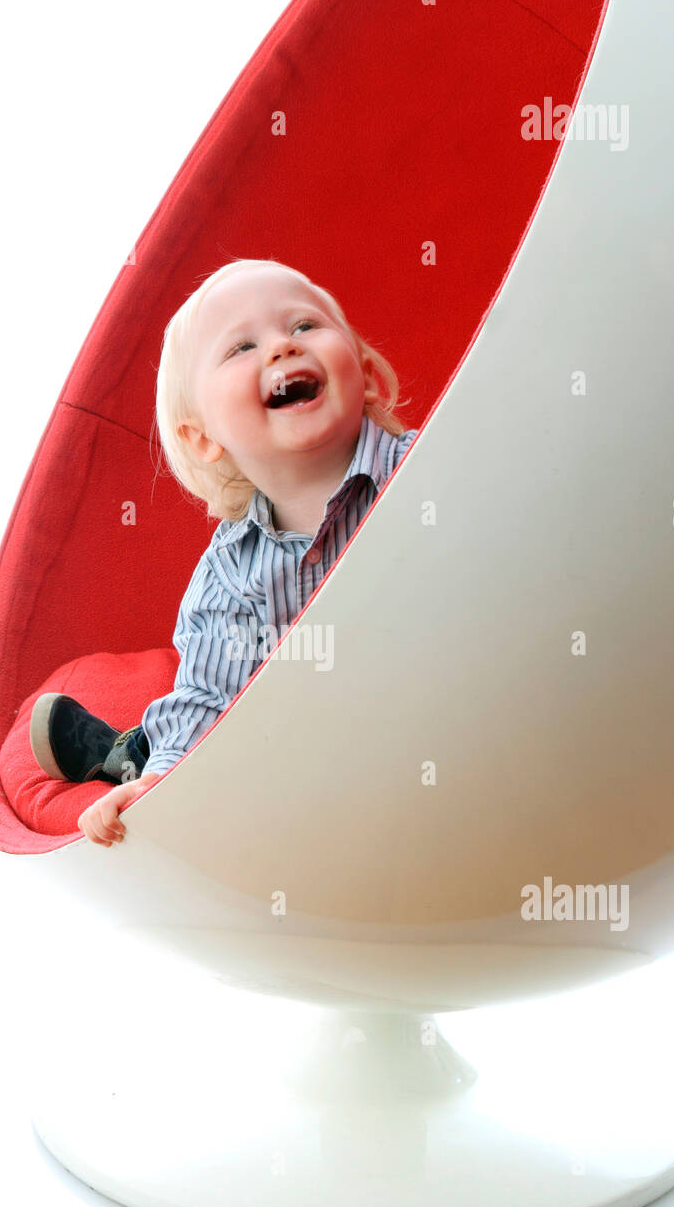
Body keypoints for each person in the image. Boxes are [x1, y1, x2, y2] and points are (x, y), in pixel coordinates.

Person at [29, 257, 419, 845]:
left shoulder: (429, 466)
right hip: (288, 736)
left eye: (305, 326)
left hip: (420, 703)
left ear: (362, 372)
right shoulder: (231, 575)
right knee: (194, 743)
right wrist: (162, 779)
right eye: (241, 348)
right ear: (203, 436)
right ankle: (127, 754)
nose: (282, 348)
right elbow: (209, 693)